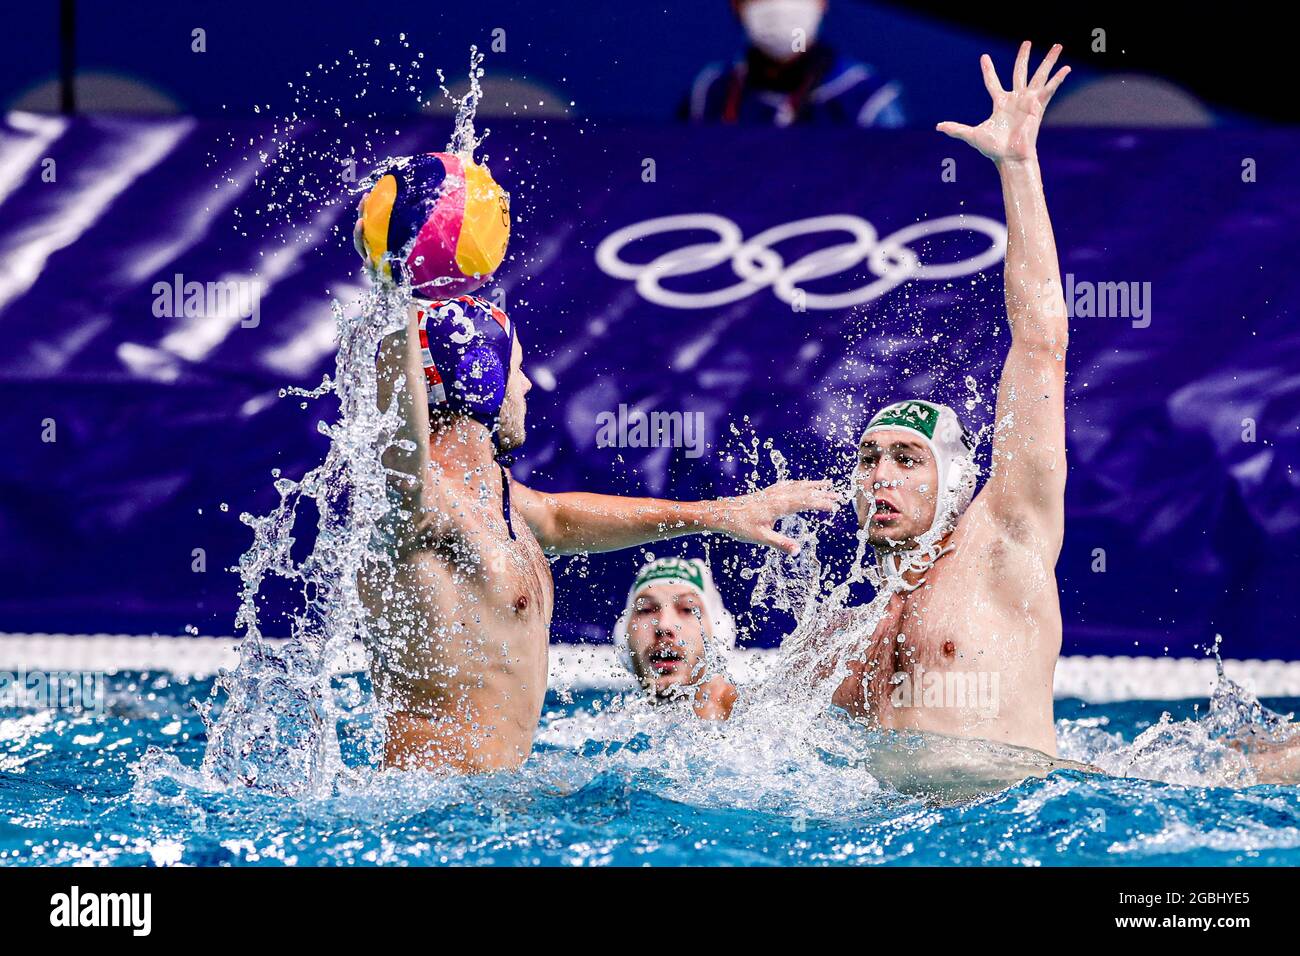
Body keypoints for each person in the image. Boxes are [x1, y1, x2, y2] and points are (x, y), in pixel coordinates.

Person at [361, 294, 838, 772]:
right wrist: (395, 287)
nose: (526, 384)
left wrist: (720, 514)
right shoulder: (425, 502)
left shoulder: (497, 498)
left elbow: (558, 518)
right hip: (429, 813)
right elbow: (401, 449)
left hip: (490, 801)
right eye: (516, 370)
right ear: (481, 377)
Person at [825, 43, 1072, 757]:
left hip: (1013, 829)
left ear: (956, 479)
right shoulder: (846, 630)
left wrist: (1019, 169)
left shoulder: (1006, 537)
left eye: (908, 459)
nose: (881, 477)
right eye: (870, 458)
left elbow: (1041, 344)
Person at [682, 0, 905, 128]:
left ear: (822, 3)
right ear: (735, 5)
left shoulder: (867, 99)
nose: (779, 5)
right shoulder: (710, 93)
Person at [612, 557, 739, 720]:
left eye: (687, 609)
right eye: (645, 610)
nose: (664, 626)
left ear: (719, 634)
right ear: (623, 637)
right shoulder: (609, 727)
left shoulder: (761, 716)